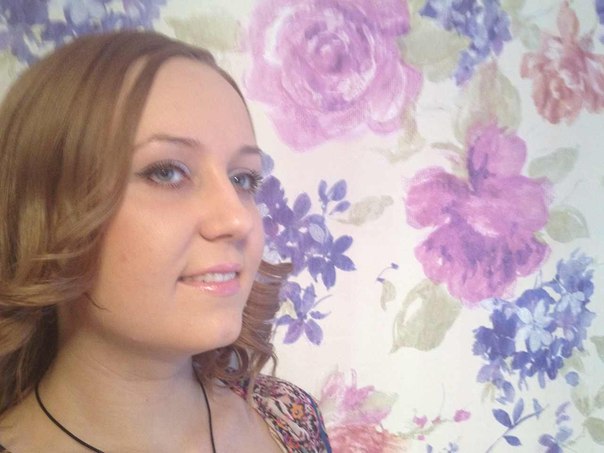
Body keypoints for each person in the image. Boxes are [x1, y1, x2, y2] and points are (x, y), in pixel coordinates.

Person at [0, 30, 331, 452]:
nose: (237, 219)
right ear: (44, 209)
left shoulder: (288, 418)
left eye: (243, 179)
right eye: (167, 172)